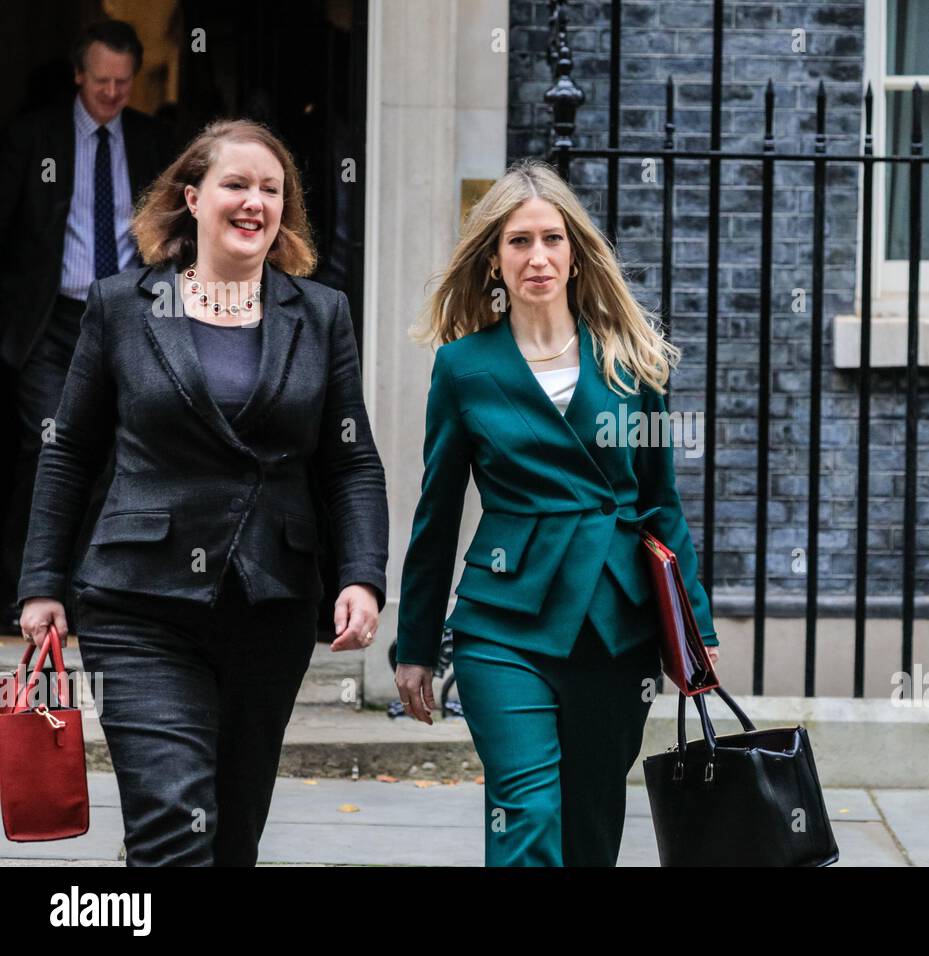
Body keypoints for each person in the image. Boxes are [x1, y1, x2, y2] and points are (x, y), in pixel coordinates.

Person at [16, 118, 389, 866]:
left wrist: (362, 576)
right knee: (173, 824)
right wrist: (41, 583)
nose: (255, 202)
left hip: (269, 606)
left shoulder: (320, 314)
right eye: (236, 184)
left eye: (271, 189)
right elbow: (70, 452)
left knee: (231, 836)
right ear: (192, 197)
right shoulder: (121, 305)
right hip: (139, 603)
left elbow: (350, 462)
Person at [396, 159, 719, 867]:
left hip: (614, 625)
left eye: (551, 239)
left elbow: (662, 505)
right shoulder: (463, 368)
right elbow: (437, 514)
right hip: (504, 625)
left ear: (575, 254)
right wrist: (414, 647)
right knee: (528, 811)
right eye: (517, 241)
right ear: (494, 259)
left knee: (592, 823)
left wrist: (695, 630)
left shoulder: (631, 363)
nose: (536, 256)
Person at [0, 20, 172, 633]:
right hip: (51, 324)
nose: (112, 93)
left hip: (128, 319)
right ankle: (26, 592)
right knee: (47, 449)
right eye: (101, 80)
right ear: (79, 74)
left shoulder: (154, 142)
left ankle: (86, 593)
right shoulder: (34, 136)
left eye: (123, 83)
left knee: (118, 453)